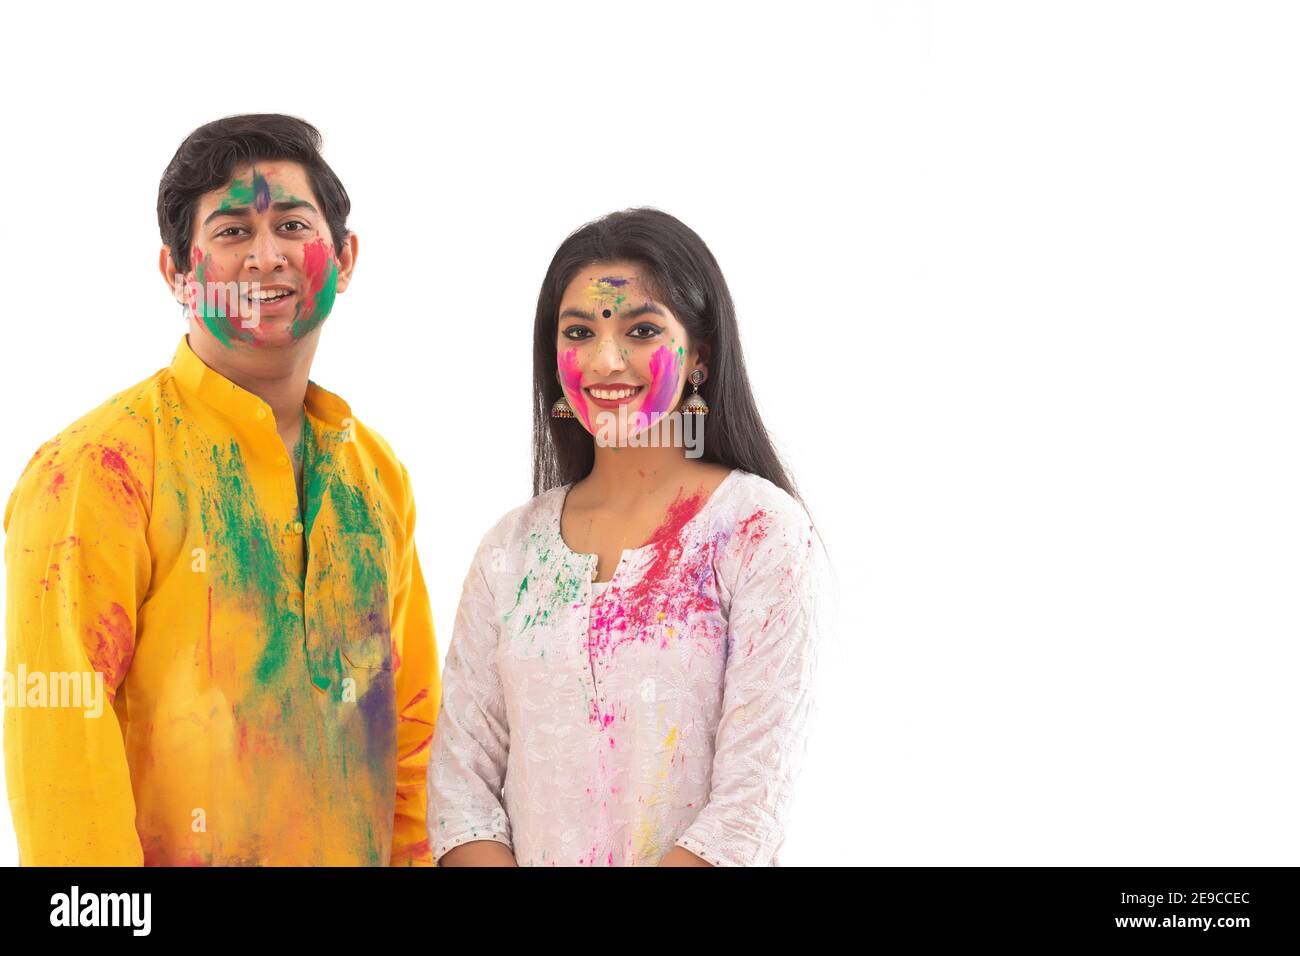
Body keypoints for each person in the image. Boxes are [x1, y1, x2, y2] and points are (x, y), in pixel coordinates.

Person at [3, 113, 439, 865]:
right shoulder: (100, 467)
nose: (265, 258)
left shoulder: (373, 474)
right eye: (232, 232)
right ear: (176, 270)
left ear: (342, 257)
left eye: (292, 226)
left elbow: (413, 727)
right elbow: (59, 740)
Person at [428, 207, 826, 866]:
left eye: (642, 330)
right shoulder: (512, 549)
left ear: (700, 355)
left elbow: (750, 810)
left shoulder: (758, 531)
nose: (605, 360)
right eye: (578, 331)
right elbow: (459, 790)